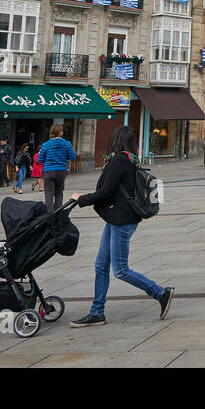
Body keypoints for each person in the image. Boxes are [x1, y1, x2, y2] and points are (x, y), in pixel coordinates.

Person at [70, 125, 173, 327]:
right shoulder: (129, 159)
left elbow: (105, 192)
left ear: (116, 140)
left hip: (123, 221)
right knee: (101, 265)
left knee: (120, 269)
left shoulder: (120, 160)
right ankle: (97, 312)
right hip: (117, 219)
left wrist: (81, 198)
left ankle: (160, 292)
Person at [38, 124, 76, 213]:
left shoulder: (46, 145)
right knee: (59, 193)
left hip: (48, 171)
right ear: (61, 133)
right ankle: (58, 212)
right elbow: (72, 157)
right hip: (61, 171)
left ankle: (49, 214)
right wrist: (63, 157)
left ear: (51, 133)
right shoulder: (67, 144)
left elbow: (40, 160)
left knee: (49, 194)